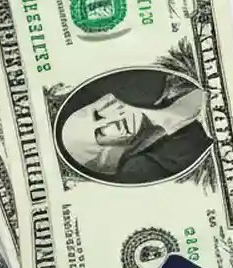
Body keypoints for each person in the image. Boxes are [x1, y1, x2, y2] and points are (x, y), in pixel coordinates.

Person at [59, 73, 212, 185]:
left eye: (98, 115)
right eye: (101, 132)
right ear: (109, 158)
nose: (112, 120)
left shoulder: (164, 80)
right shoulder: (178, 160)